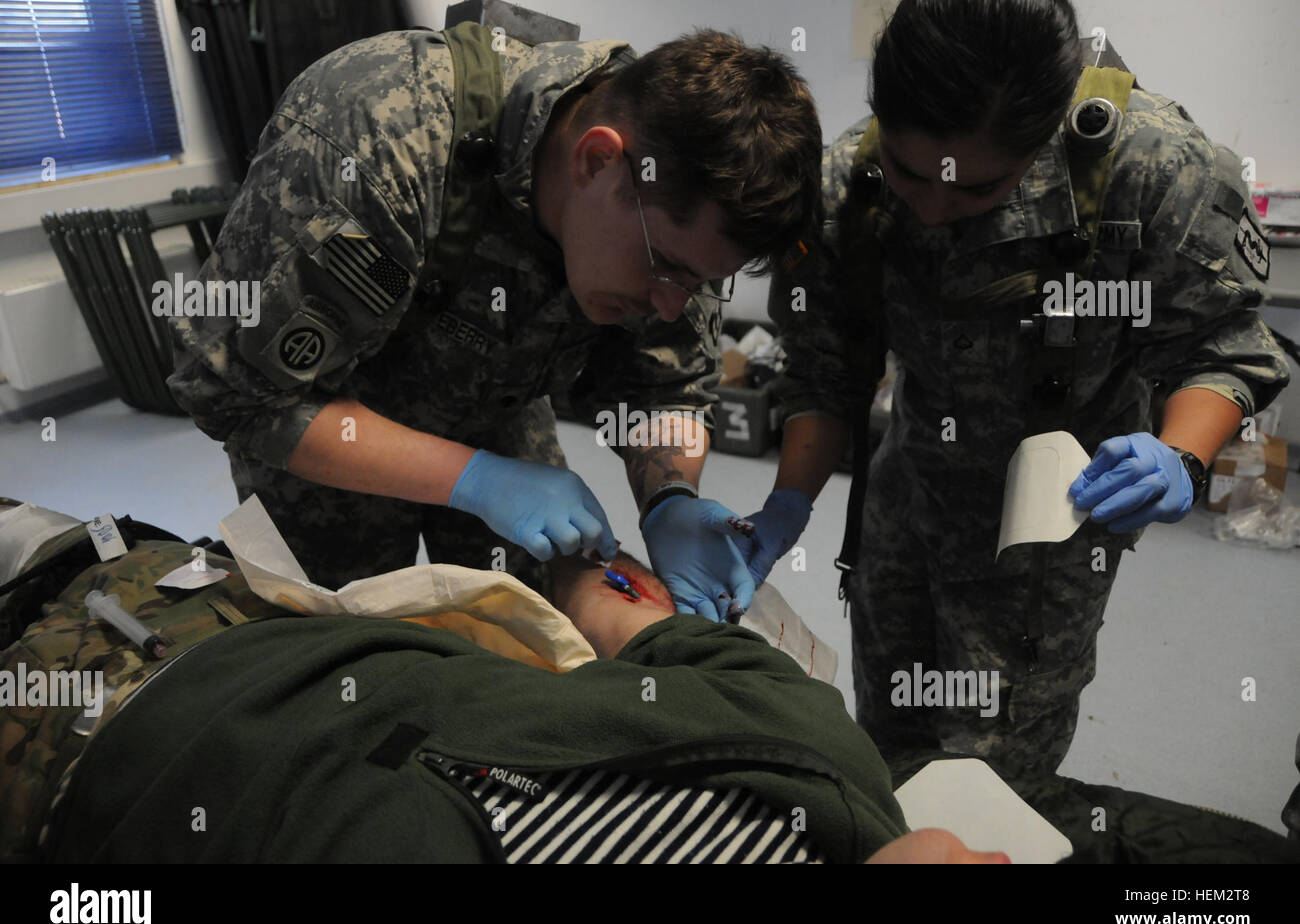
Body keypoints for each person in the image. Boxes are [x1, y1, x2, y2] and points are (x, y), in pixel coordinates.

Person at [727, 0, 1291, 775]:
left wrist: (1178, 457)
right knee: (886, 743)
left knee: (994, 776)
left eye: (973, 188)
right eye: (910, 172)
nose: (930, 205)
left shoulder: (1153, 170)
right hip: (910, 504)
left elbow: (1221, 348)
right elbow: (826, 372)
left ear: (1042, 137)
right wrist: (787, 503)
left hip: (1049, 535)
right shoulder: (850, 184)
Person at [28, 541, 1298, 864]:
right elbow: (610, 599)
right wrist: (615, 566)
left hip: (82, 761)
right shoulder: (813, 740)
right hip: (226, 601)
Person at [167, 25, 821, 613]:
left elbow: (665, 386)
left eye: (702, 282)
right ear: (597, 160)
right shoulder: (377, 141)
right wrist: (472, 479)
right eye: (668, 270)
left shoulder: (680, 210)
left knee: (526, 637)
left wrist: (670, 497)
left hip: (496, 405)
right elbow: (238, 395)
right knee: (336, 652)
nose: (674, 302)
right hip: (330, 426)